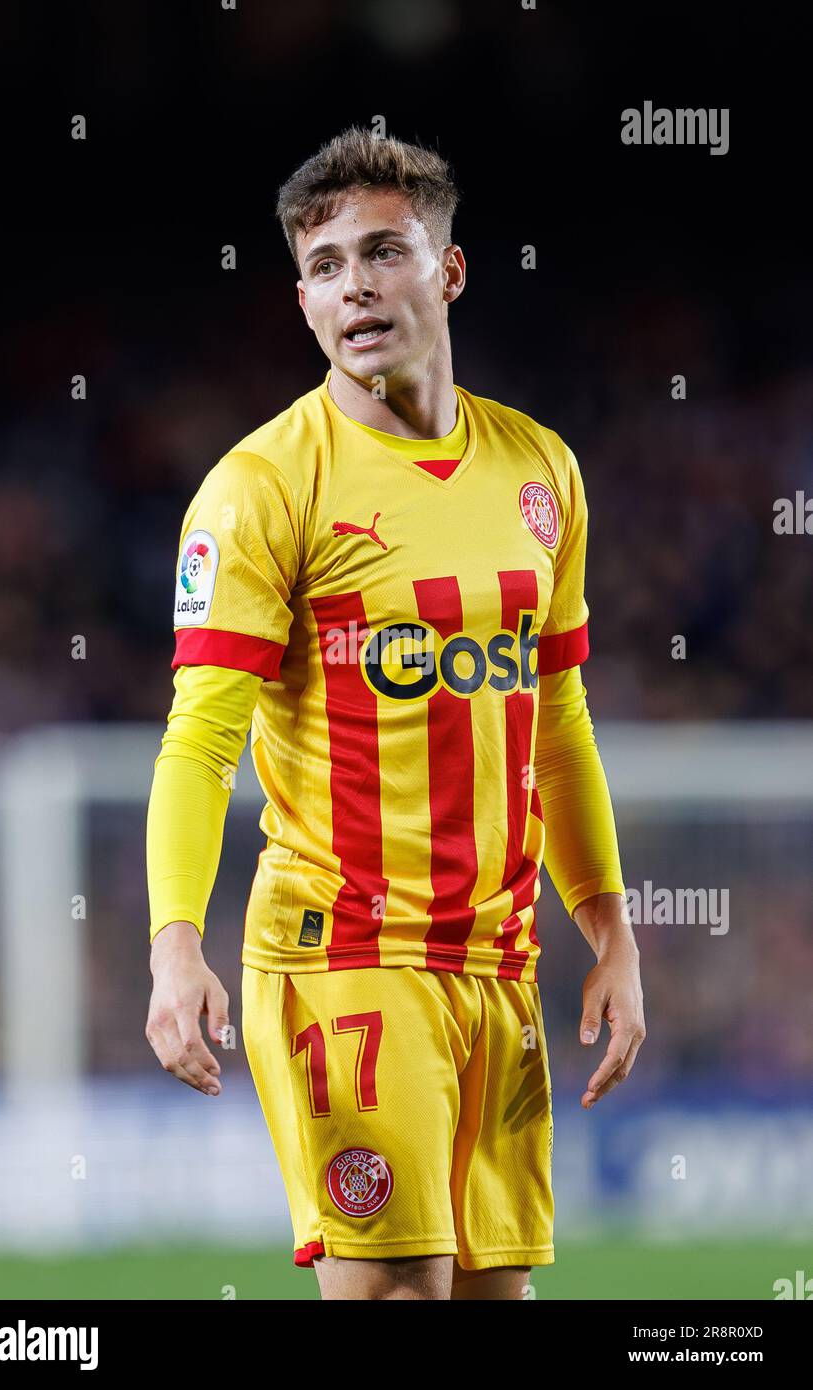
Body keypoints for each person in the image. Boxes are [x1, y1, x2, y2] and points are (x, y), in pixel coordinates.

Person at [145, 126, 645, 1301]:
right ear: (303, 302)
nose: (354, 287)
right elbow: (200, 738)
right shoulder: (263, 486)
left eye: (383, 252)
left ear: (449, 271)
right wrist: (175, 945)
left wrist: (609, 931)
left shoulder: (540, 471)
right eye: (323, 267)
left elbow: (556, 721)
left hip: (496, 962)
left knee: (490, 1298)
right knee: (399, 1294)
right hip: (343, 955)